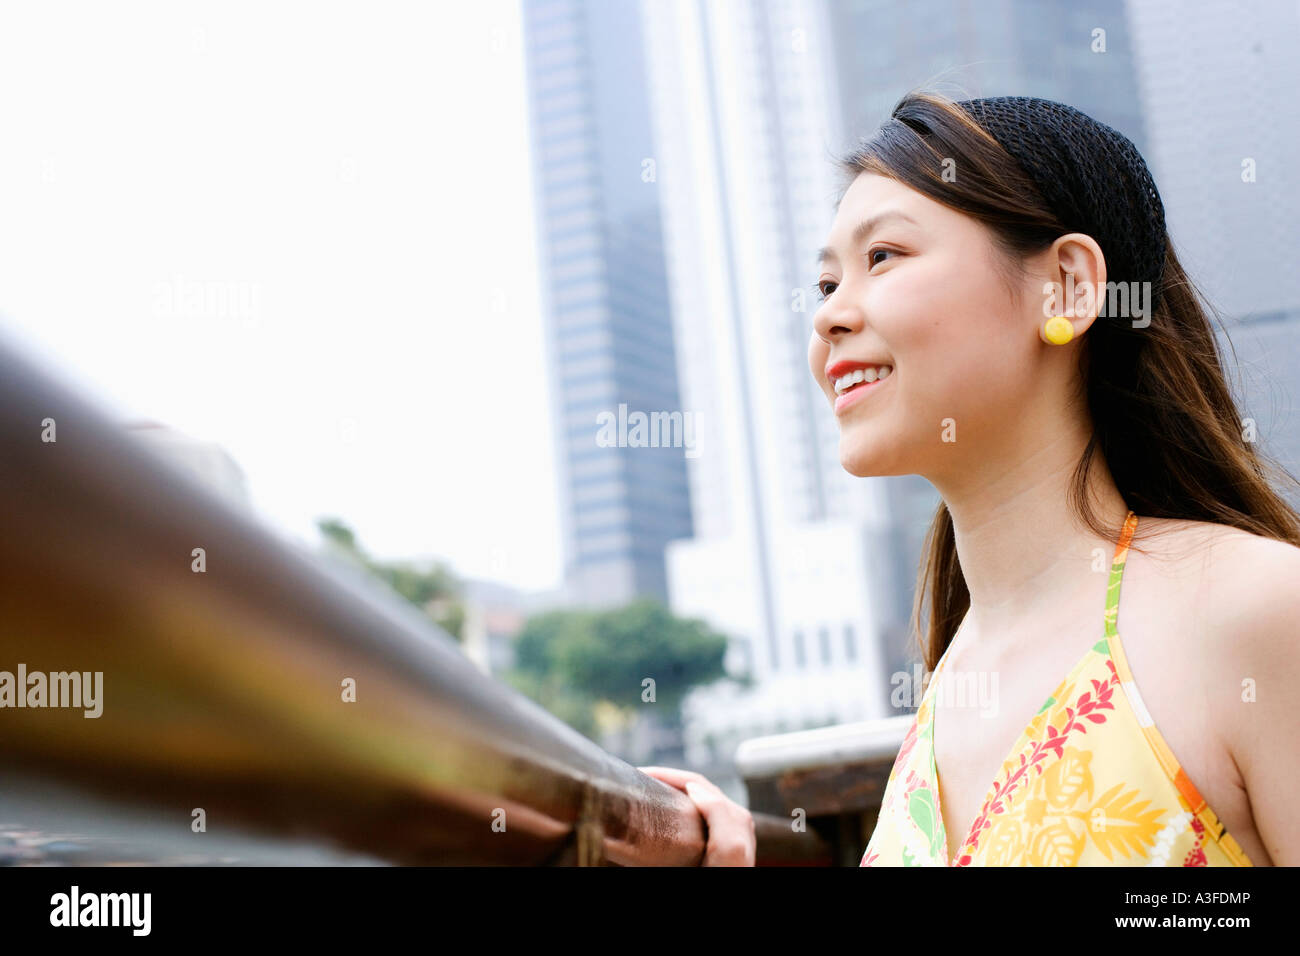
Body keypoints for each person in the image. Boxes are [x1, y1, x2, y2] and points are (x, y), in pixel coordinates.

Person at [644, 91, 1300, 867]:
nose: (828, 317)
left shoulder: (1253, 609)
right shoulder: (948, 685)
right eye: (826, 286)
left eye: (882, 257)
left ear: (1067, 286)